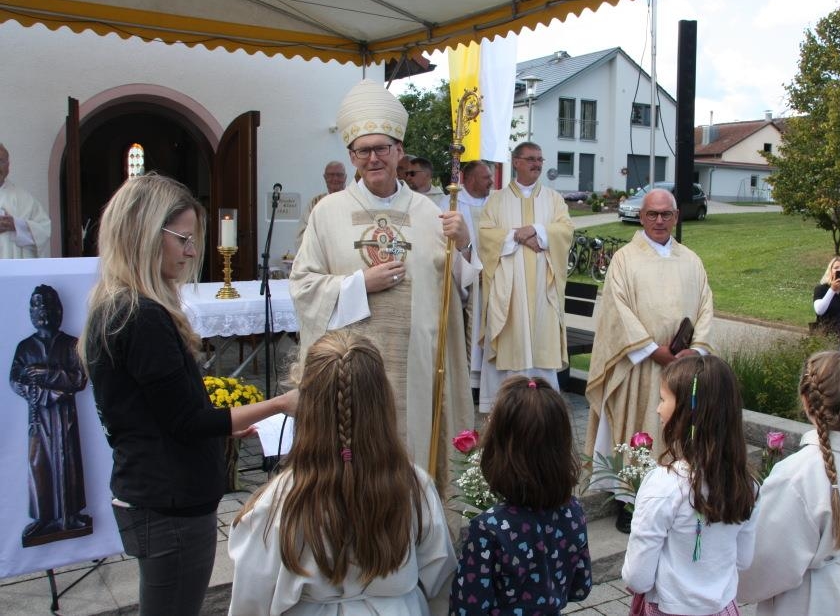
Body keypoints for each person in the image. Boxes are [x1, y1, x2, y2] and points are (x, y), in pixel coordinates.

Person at [80, 173, 298, 616]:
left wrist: (223, 423)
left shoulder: (121, 306)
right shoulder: (141, 317)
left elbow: (162, 410)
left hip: (155, 491)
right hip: (170, 501)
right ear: (144, 233)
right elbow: (185, 423)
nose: (192, 251)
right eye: (183, 238)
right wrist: (280, 403)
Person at [289, 79, 477, 471]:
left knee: (413, 460)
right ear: (352, 156)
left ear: (399, 152)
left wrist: (463, 246)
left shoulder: (431, 212)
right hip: (351, 372)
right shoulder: (327, 212)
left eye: (382, 148)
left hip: (419, 366)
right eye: (363, 151)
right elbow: (303, 286)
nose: (373, 158)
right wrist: (359, 285)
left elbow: (456, 291)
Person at [229, 331, 457, 615]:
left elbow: (251, 598)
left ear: (305, 403)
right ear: (383, 399)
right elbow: (441, 577)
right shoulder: (413, 484)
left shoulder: (280, 500)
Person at [585, 188, 714, 529]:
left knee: (677, 437)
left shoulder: (692, 260)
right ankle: (631, 500)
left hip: (683, 372)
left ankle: (679, 499)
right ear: (641, 217)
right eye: (652, 214)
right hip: (641, 366)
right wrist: (652, 350)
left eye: (666, 214)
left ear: (676, 216)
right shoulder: (625, 259)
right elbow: (617, 311)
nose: (659, 220)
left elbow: (705, 308)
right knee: (639, 432)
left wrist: (695, 350)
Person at [736, 351, 840, 615]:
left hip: (806, 598)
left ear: (806, 400)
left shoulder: (796, 474)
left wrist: (738, 584)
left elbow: (767, 561)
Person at [622, 355, 760, 616]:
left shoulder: (664, 484)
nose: (657, 409)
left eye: (663, 399)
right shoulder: (748, 484)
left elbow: (637, 576)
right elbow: (743, 559)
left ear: (687, 412)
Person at [448, 376, 592, 613]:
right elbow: (580, 587)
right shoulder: (574, 511)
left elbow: (467, 607)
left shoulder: (489, 529)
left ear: (499, 449)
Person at [477, 141, 572, 412]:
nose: (537, 164)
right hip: (510, 292)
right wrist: (516, 236)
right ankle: (507, 409)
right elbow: (485, 235)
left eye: (540, 159)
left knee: (542, 344)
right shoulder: (496, 200)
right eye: (531, 158)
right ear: (516, 162)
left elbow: (565, 231)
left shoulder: (554, 199)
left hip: (544, 290)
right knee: (511, 343)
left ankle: (546, 410)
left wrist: (537, 230)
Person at [10, 285, 92, 547]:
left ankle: (72, 515)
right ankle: (44, 518)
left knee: (68, 462)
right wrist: (38, 392)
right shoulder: (25, 347)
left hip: (64, 416)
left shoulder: (71, 344)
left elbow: (79, 378)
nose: (42, 313)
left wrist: (47, 374)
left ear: (59, 311)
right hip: (39, 416)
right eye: (36, 308)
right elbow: (15, 379)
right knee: (40, 464)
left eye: (47, 307)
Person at [456, 160, 494, 398]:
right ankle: (467, 379)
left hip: (494, 281)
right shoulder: (451, 203)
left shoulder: (496, 203)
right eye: (486, 177)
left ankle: (488, 379)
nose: (491, 181)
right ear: (469, 180)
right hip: (466, 281)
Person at [0, 143, 51, 258]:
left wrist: (16, 225)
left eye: (1, 161)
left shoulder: (24, 199)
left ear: (8, 166)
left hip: (14, 268)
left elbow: (44, 229)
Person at [295, 160, 347, 249]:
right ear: (325, 177)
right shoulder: (315, 203)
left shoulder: (353, 200)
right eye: (330, 175)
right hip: (321, 256)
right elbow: (303, 234)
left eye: (339, 175)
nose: (335, 179)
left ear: (345, 177)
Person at [812, 256, 840, 347]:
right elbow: (819, 310)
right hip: (823, 338)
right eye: (836, 268)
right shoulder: (821, 289)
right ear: (830, 271)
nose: (839, 270)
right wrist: (832, 289)